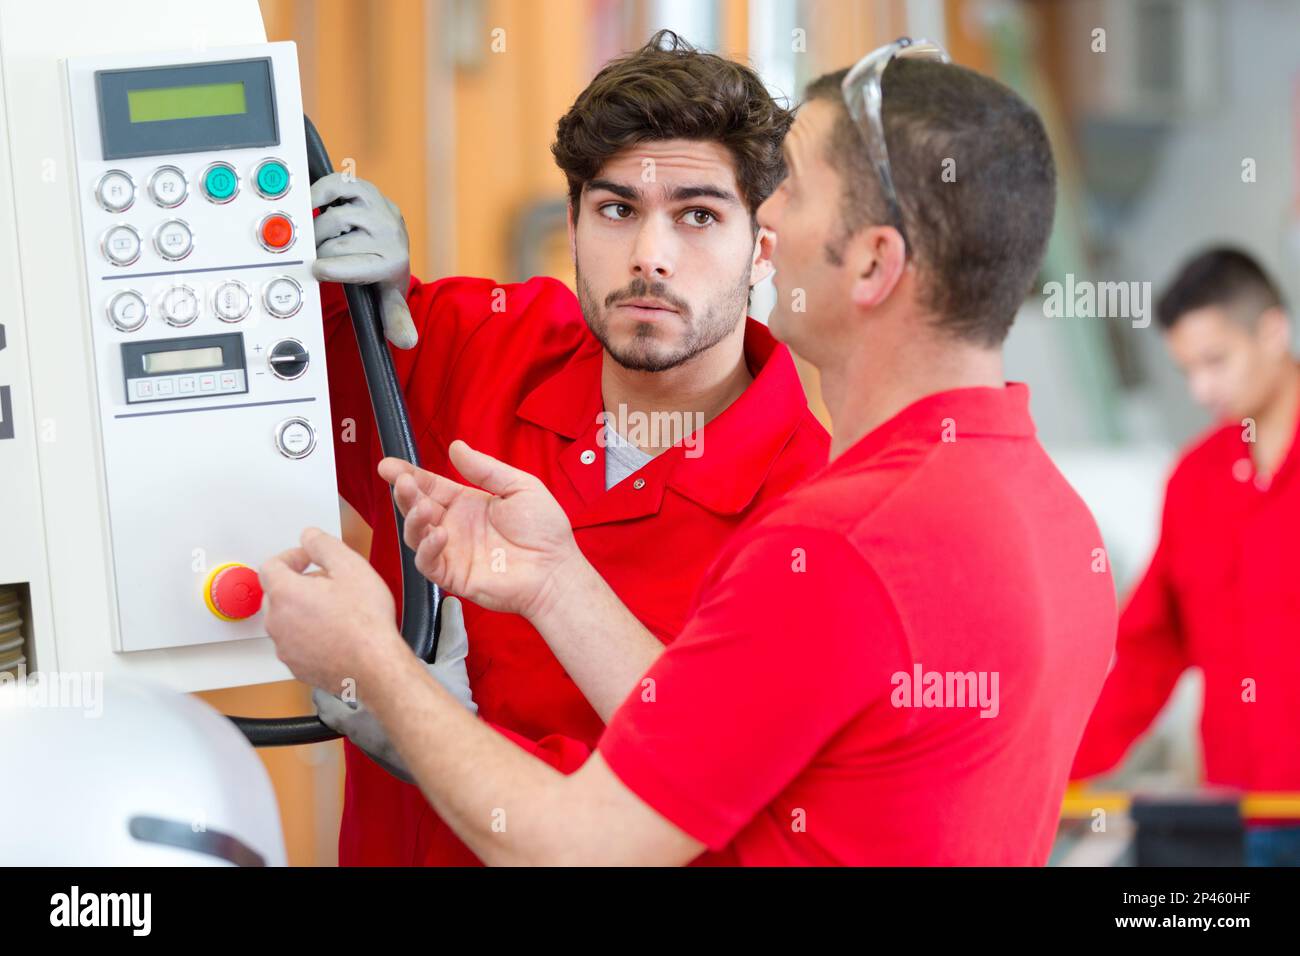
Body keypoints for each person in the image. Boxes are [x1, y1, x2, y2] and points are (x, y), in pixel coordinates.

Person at [264, 39, 1116, 864]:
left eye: (721, 212)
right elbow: (722, 753)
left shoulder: (830, 540)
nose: (651, 253)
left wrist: (383, 675)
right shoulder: (1050, 518)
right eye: (616, 208)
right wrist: (312, 278)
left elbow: (587, 843)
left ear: (866, 263)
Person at [311, 30, 829, 865]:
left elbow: (706, 816)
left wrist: (418, 720)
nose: (650, 258)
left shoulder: (809, 517)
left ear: (760, 250)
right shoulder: (472, 342)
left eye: (698, 215)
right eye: (617, 210)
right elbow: (259, 371)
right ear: (576, 222)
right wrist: (320, 262)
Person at [1071, 248, 1300, 866]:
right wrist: (1056, 769)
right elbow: (1148, 649)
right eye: (1187, 370)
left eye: (1215, 361)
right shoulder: (1195, 483)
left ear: (1272, 331)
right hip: (1243, 821)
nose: (1202, 389)